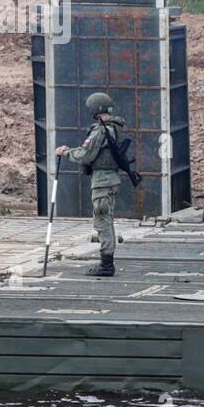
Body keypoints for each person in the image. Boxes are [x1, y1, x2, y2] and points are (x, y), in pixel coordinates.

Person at [56, 92, 126, 277]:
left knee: (102, 222)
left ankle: (106, 265)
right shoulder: (115, 127)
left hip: (102, 181)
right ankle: (106, 263)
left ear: (96, 110)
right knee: (107, 222)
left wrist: (66, 152)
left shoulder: (102, 130)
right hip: (110, 179)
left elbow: (86, 154)